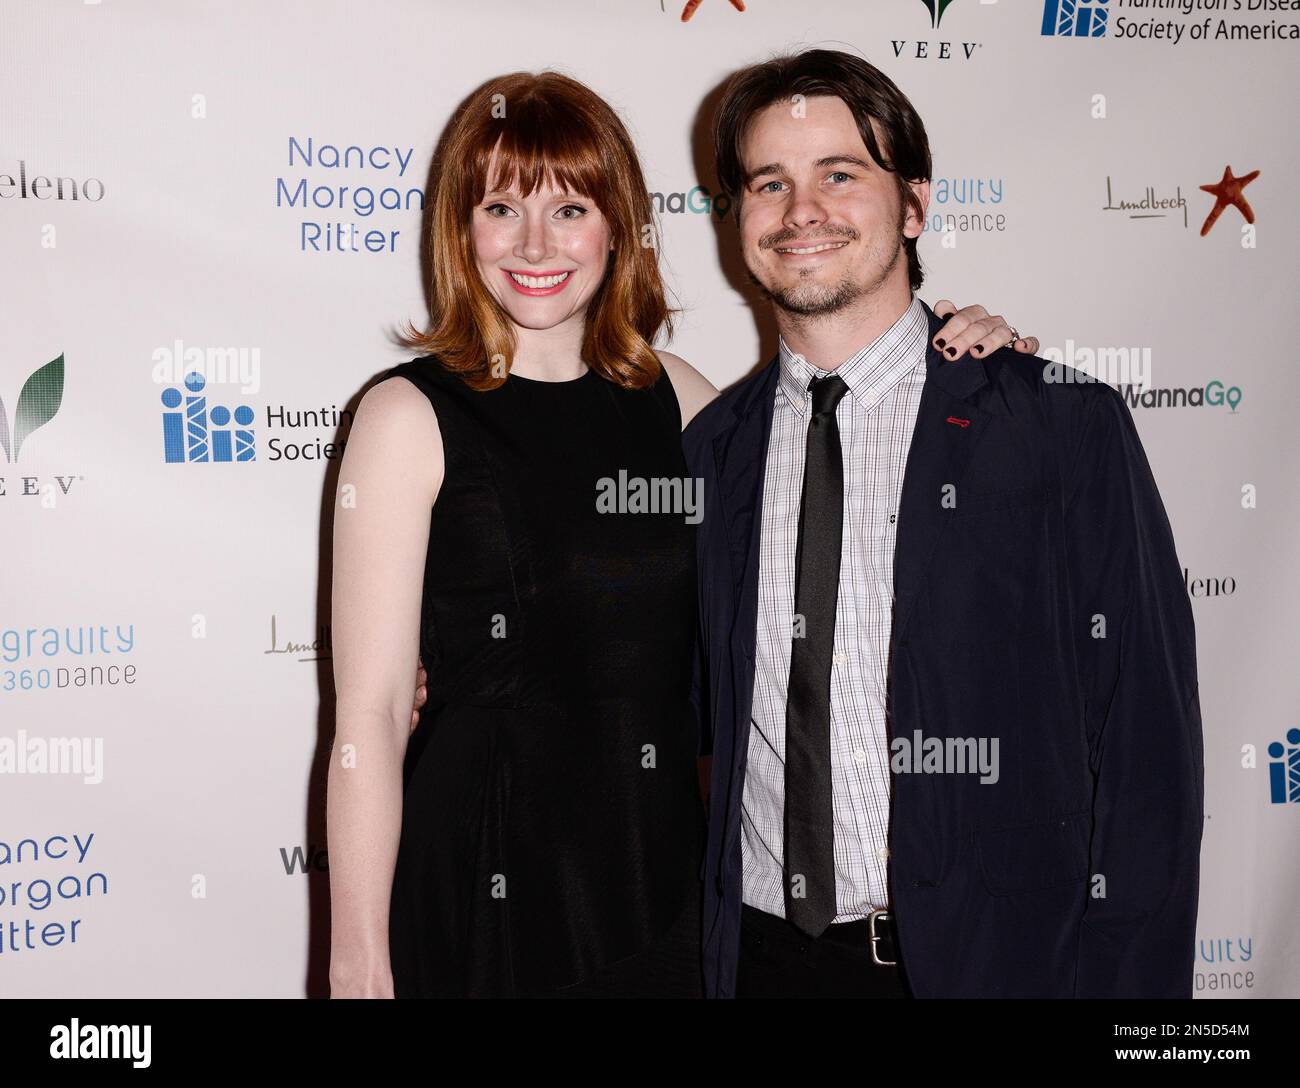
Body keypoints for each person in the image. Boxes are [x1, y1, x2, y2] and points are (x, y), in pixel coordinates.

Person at [327, 67, 1038, 998]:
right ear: (460, 229)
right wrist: (358, 963)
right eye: (501, 206)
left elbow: (836, 440)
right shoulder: (405, 415)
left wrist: (955, 342)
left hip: (670, 880)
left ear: (620, 223)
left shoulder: (686, 399)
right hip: (484, 878)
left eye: (572, 208)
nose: (536, 243)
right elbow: (370, 721)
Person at [684, 48, 1204, 999]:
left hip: (985, 969)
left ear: (914, 205)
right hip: (761, 963)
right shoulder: (714, 451)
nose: (802, 211)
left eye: (841, 174)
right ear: (740, 222)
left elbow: (1147, 752)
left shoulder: (1056, 424)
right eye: (770, 183)